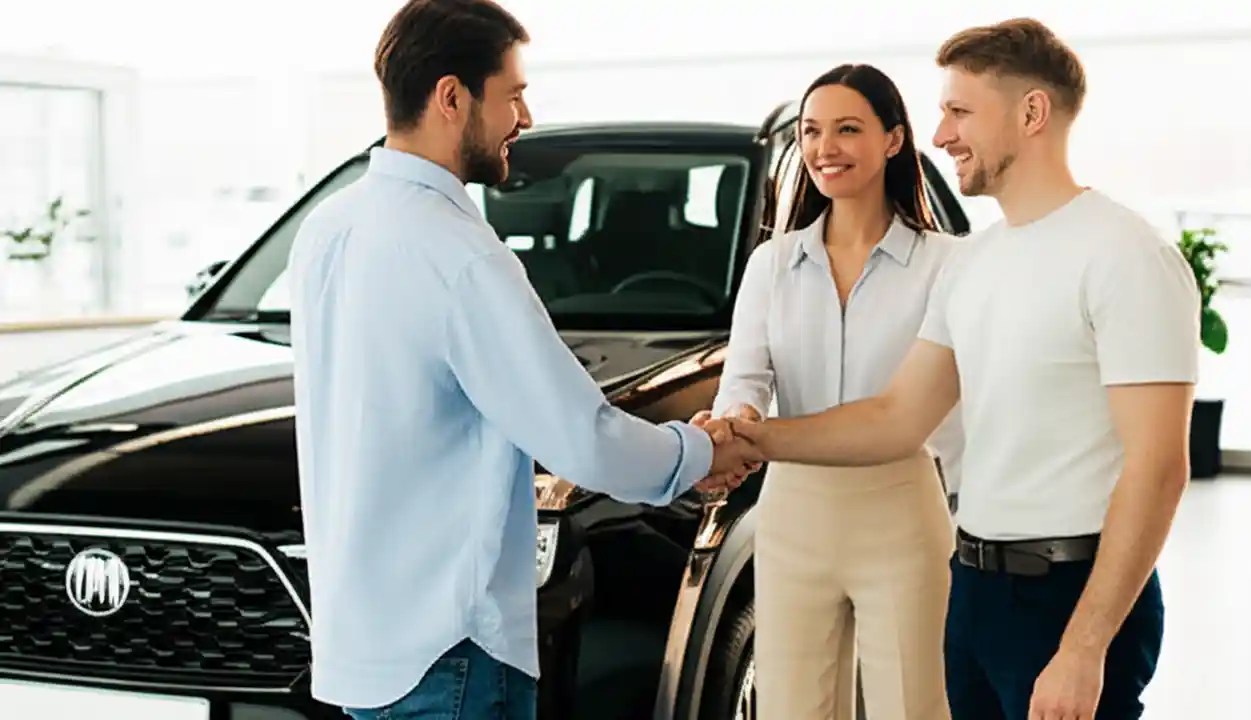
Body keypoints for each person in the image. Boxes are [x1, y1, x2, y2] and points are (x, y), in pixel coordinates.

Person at [286, 1, 761, 718]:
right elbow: (581, 437)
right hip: (453, 655)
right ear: (452, 97)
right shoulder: (461, 254)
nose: (526, 118)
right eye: (512, 94)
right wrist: (698, 454)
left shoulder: (326, 231)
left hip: (364, 652)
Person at [728, 18, 1199, 720]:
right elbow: (897, 418)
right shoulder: (974, 263)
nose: (941, 135)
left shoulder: (1125, 256)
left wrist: (1082, 647)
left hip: (1066, 594)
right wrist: (753, 440)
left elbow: (1159, 466)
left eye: (959, 111)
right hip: (973, 585)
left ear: (1031, 113)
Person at [696, 63, 963, 720]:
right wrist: (733, 424)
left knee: (912, 705)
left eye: (847, 129)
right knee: (792, 708)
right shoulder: (774, 263)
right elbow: (747, 380)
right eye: (812, 132)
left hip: (903, 506)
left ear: (894, 140)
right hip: (793, 511)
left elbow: (935, 411)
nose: (824, 148)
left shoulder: (946, 264)